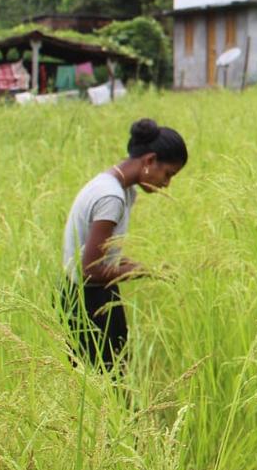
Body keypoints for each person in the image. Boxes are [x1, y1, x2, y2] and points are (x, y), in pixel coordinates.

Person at [60, 118, 188, 371]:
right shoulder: (111, 197)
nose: (167, 183)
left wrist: (130, 264)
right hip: (89, 301)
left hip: (88, 294)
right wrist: (144, 272)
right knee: (109, 384)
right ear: (149, 161)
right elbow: (90, 270)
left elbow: (99, 256)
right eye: (168, 174)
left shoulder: (118, 188)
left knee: (99, 382)